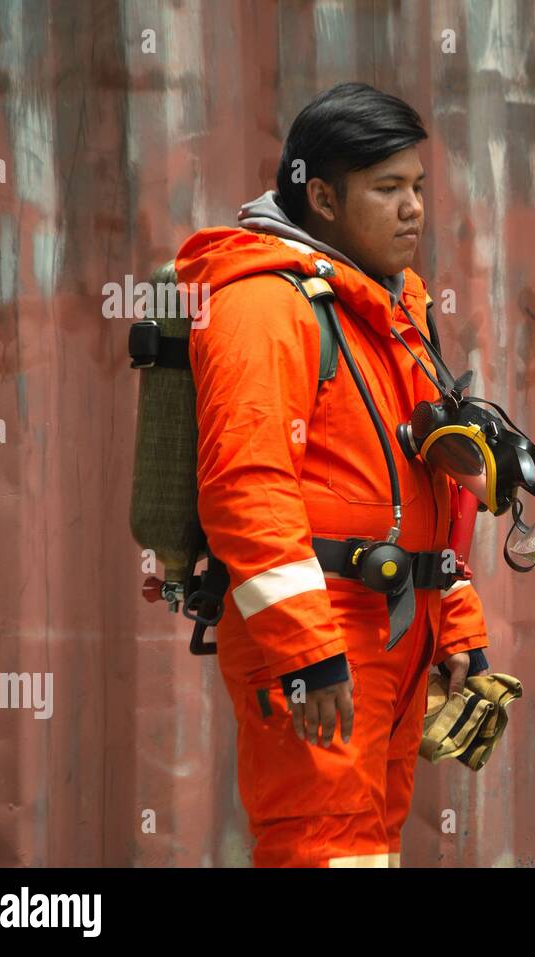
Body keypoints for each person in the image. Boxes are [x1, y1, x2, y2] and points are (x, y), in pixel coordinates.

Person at [174, 83, 489, 867]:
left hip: (395, 635)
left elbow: (435, 482)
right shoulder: (262, 302)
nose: (413, 208)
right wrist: (308, 655)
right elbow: (246, 489)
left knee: (365, 851)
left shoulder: (387, 308)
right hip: (322, 643)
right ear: (320, 196)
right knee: (324, 852)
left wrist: (458, 628)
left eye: (417, 187)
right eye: (387, 189)